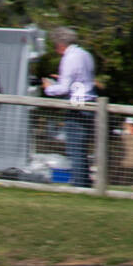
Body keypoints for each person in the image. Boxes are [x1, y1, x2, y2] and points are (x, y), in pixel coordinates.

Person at [43, 27, 96, 189]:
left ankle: (80, 186)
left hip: (77, 105)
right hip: (88, 103)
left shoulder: (69, 57)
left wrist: (48, 88)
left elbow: (64, 89)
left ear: (60, 44)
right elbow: (82, 80)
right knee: (81, 148)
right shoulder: (86, 55)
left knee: (75, 148)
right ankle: (84, 184)